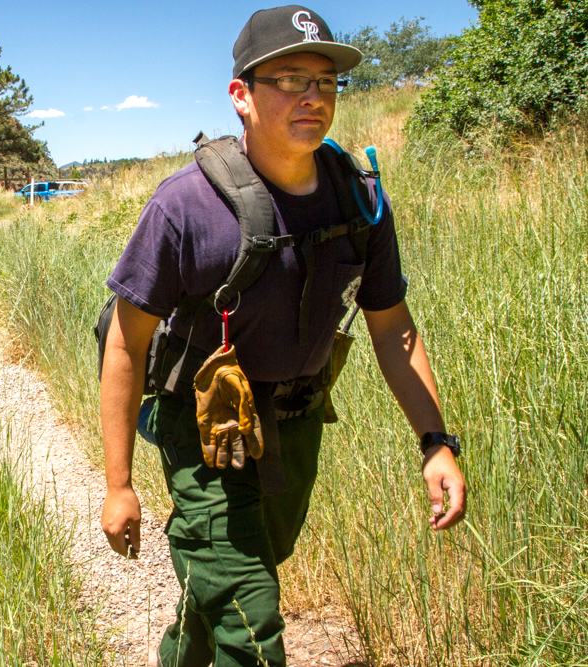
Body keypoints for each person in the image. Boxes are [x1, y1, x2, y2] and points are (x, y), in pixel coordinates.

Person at [98, 5, 468, 666]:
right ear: (241, 95)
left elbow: (392, 327)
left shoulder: (359, 201)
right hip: (205, 432)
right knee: (251, 617)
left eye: (325, 83)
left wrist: (435, 441)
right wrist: (119, 482)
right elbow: (126, 343)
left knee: (239, 576)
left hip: (296, 423)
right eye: (291, 80)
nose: (313, 97)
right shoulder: (184, 207)